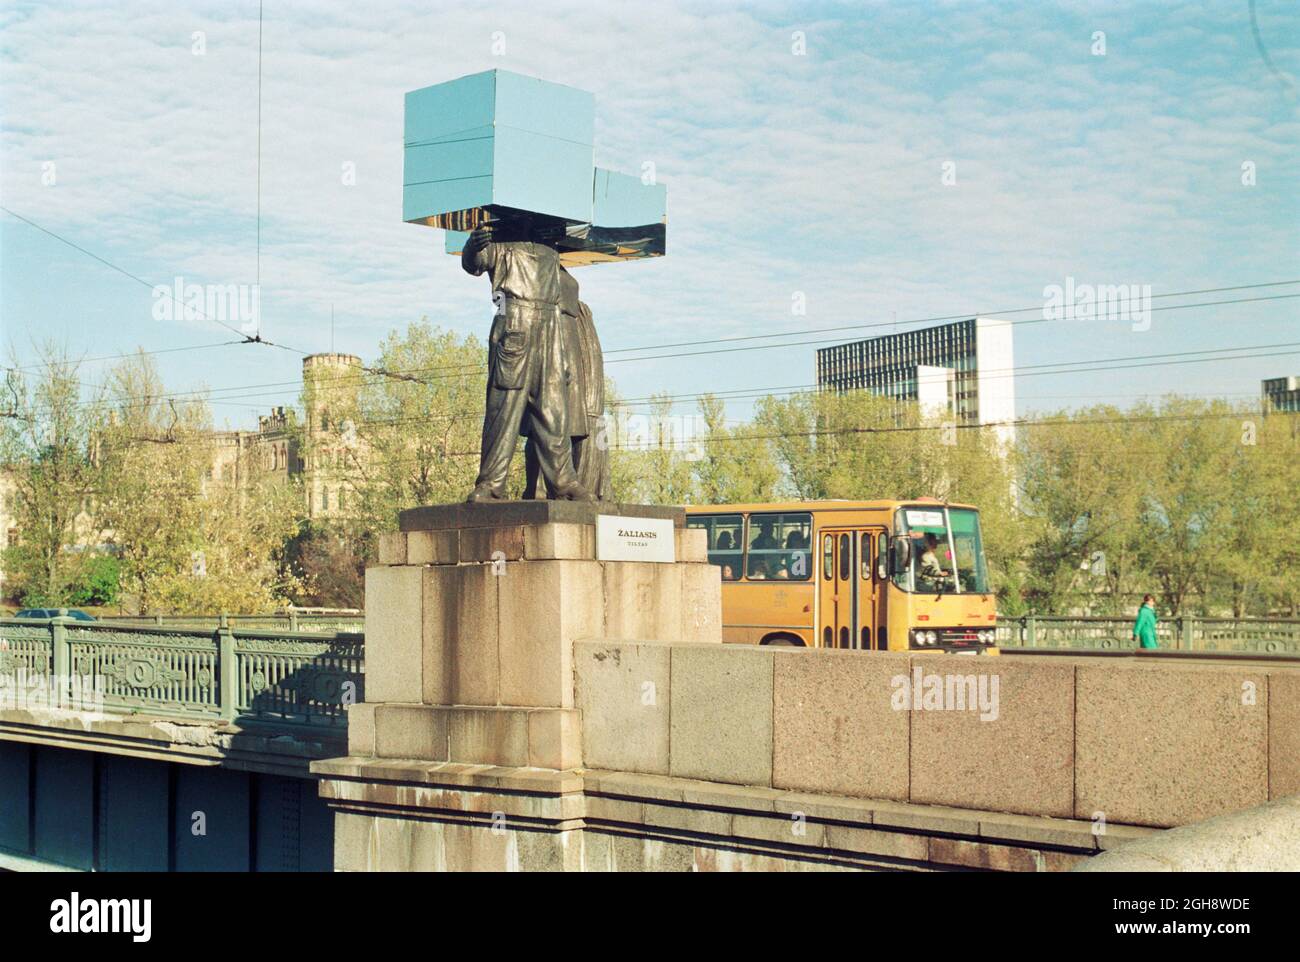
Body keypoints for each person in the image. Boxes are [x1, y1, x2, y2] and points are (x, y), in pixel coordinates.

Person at [461, 219, 589, 502]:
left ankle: (564, 482)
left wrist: (565, 354)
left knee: (554, 411)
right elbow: (473, 264)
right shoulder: (501, 245)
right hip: (515, 322)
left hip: (550, 328)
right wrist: (472, 245)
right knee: (503, 409)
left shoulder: (550, 252)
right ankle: (490, 484)